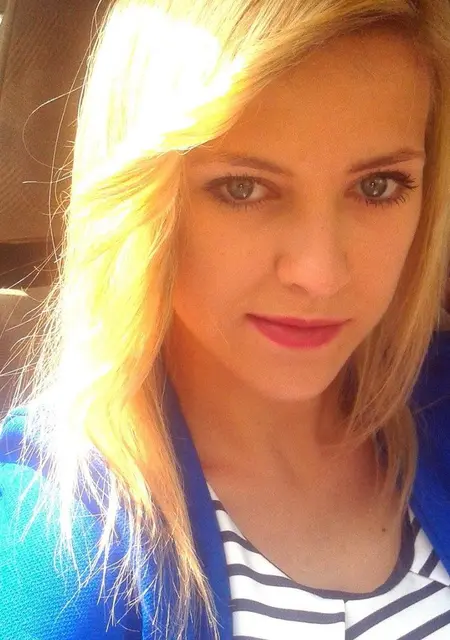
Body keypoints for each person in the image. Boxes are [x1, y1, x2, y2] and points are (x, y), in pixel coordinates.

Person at [2, 0, 450, 638]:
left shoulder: (437, 400)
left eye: (377, 186)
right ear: (144, 200)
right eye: (243, 188)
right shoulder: (57, 540)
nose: (320, 273)